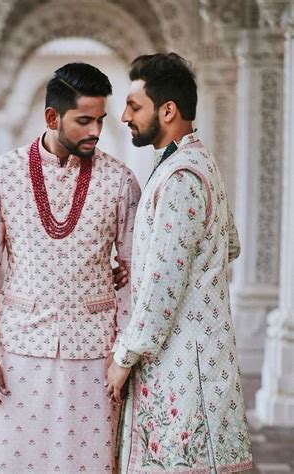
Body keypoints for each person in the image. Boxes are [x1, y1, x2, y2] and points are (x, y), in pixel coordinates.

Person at [0, 62, 141, 473]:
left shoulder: (120, 181)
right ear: (52, 117)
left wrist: (125, 352)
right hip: (20, 353)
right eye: (83, 121)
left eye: (100, 120)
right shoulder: (2, 175)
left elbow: (137, 273)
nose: (95, 131)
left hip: (96, 355)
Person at [106, 53, 253, 473]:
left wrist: (124, 358)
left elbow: (162, 285)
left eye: (134, 106)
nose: (124, 116)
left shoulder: (181, 178)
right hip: (190, 349)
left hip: (184, 361)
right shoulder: (191, 163)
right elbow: (228, 246)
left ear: (167, 110)